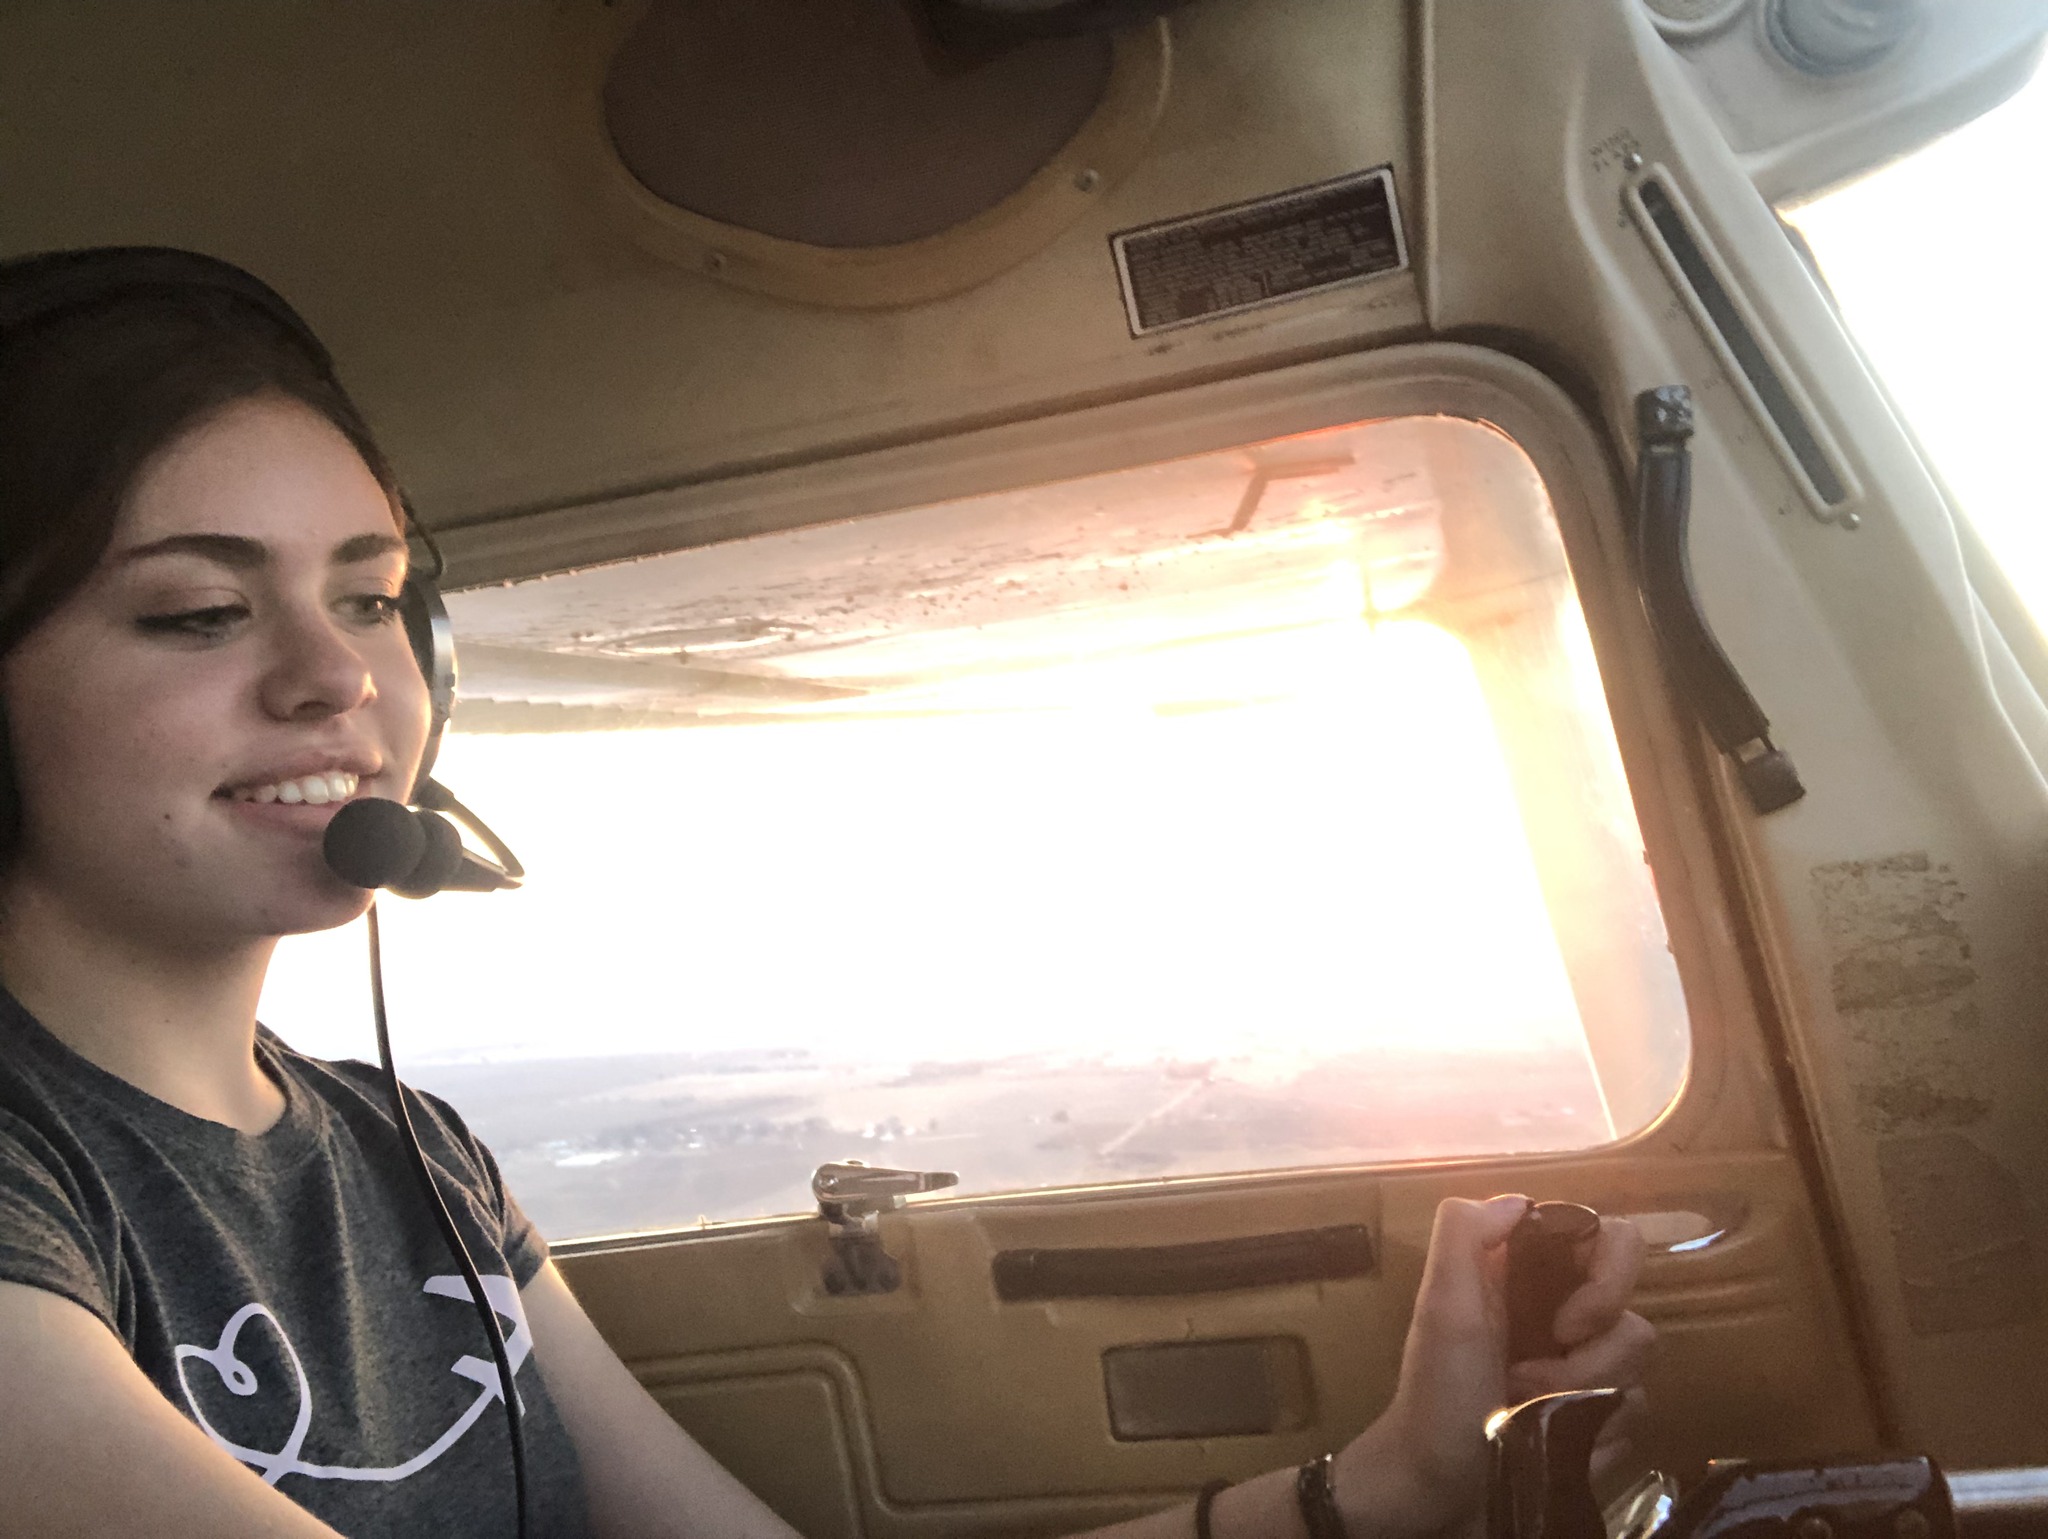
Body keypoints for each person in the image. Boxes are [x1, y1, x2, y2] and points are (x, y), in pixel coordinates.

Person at [0, 248, 1654, 1538]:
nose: (334, 682)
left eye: (369, 601)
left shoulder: (409, 1158)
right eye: (196, 614)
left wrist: (1382, 1488)